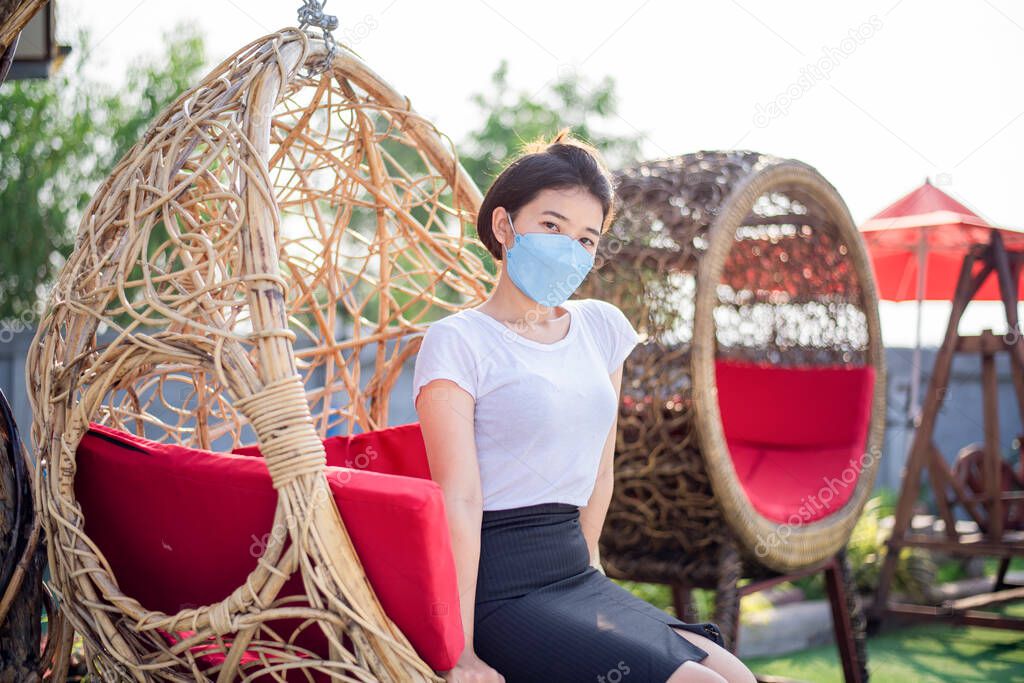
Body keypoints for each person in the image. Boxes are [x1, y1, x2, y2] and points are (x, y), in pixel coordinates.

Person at [413, 128, 756, 683]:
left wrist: (592, 562)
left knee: (736, 677)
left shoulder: (601, 327)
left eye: (586, 239)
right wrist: (461, 650)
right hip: (499, 586)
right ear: (504, 226)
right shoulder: (458, 340)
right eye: (551, 225)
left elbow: (601, 468)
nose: (569, 249)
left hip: (575, 571)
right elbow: (460, 497)